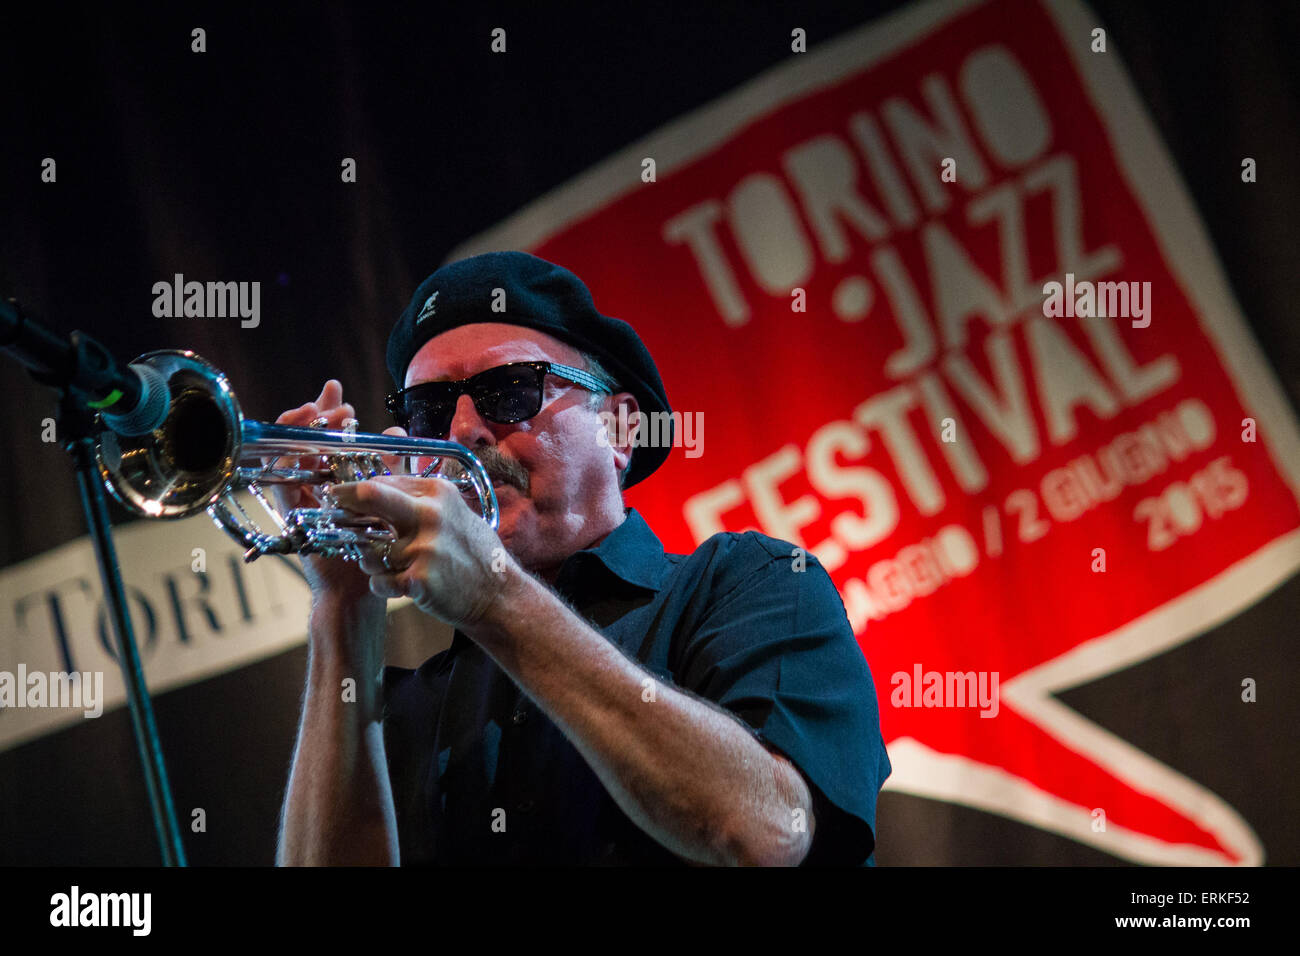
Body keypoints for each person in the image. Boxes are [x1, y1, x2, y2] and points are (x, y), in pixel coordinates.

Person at [274, 251, 891, 866]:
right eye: (430, 412)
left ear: (619, 430)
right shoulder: (399, 707)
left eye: (508, 390)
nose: (462, 432)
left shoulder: (750, 583)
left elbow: (768, 833)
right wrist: (342, 604)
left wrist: (494, 596)